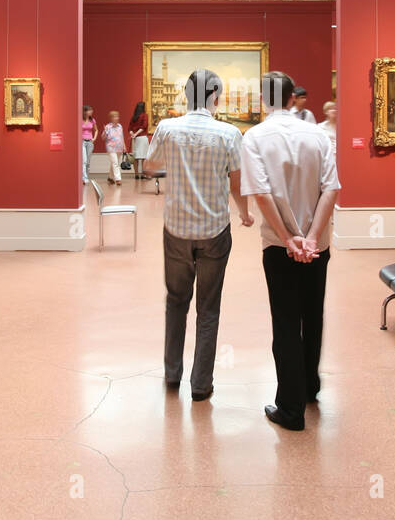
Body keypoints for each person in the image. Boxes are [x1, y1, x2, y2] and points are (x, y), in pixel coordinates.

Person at [144, 69, 253, 402]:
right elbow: (236, 183)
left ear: (185, 96)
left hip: (176, 229)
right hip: (214, 230)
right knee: (208, 308)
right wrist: (245, 213)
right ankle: (201, 384)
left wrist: (176, 169)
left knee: (176, 302)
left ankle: (172, 373)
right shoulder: (229, 134)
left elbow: (149, 167)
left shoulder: (167, 128)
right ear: (216, 98)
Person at [240, 70, 340, 432]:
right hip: (319, 246)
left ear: (263, 100)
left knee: (285, 321)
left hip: (279, 247)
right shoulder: (318, 135)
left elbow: (262, 194)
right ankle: (310, 387)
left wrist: (288, 239)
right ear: (290, 98)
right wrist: (311, 237)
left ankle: (290, 408)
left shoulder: (254, 137)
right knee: (313, 315)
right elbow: (331, 188)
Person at [102, 110, 126, 185]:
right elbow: (103, 138)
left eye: (117, 116)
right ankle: (118, 179)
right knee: (115, 163)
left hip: (119, 147)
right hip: (111, 148)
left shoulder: (120, 126)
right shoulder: (108, 127)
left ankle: (110, 177)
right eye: (115, 117)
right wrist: (105, 132)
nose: (117, 118)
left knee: (114, 163)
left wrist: (124, 146)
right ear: (111, 118)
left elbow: (122, 137)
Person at [129, 102, 150, 179]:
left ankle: (136, 174)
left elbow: (129, 128)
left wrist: (133, 134)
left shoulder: (133, 117)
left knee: (136, 157)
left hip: (135, 139)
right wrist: (137, 134)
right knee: (144, 157)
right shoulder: (145, 115)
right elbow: (144, 126)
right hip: (142, 137)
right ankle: (144, 174)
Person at [81, 105, 98, 179]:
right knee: (84, 160)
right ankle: (84, 177)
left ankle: (86, 176)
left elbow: (96, 130)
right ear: (85, 112)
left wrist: (94, 138)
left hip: (90, 142)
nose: (91, 111)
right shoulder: (80, 119)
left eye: (92, 110)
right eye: (89, 110)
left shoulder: (92, 120)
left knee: (88, 161)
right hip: (82, 142)